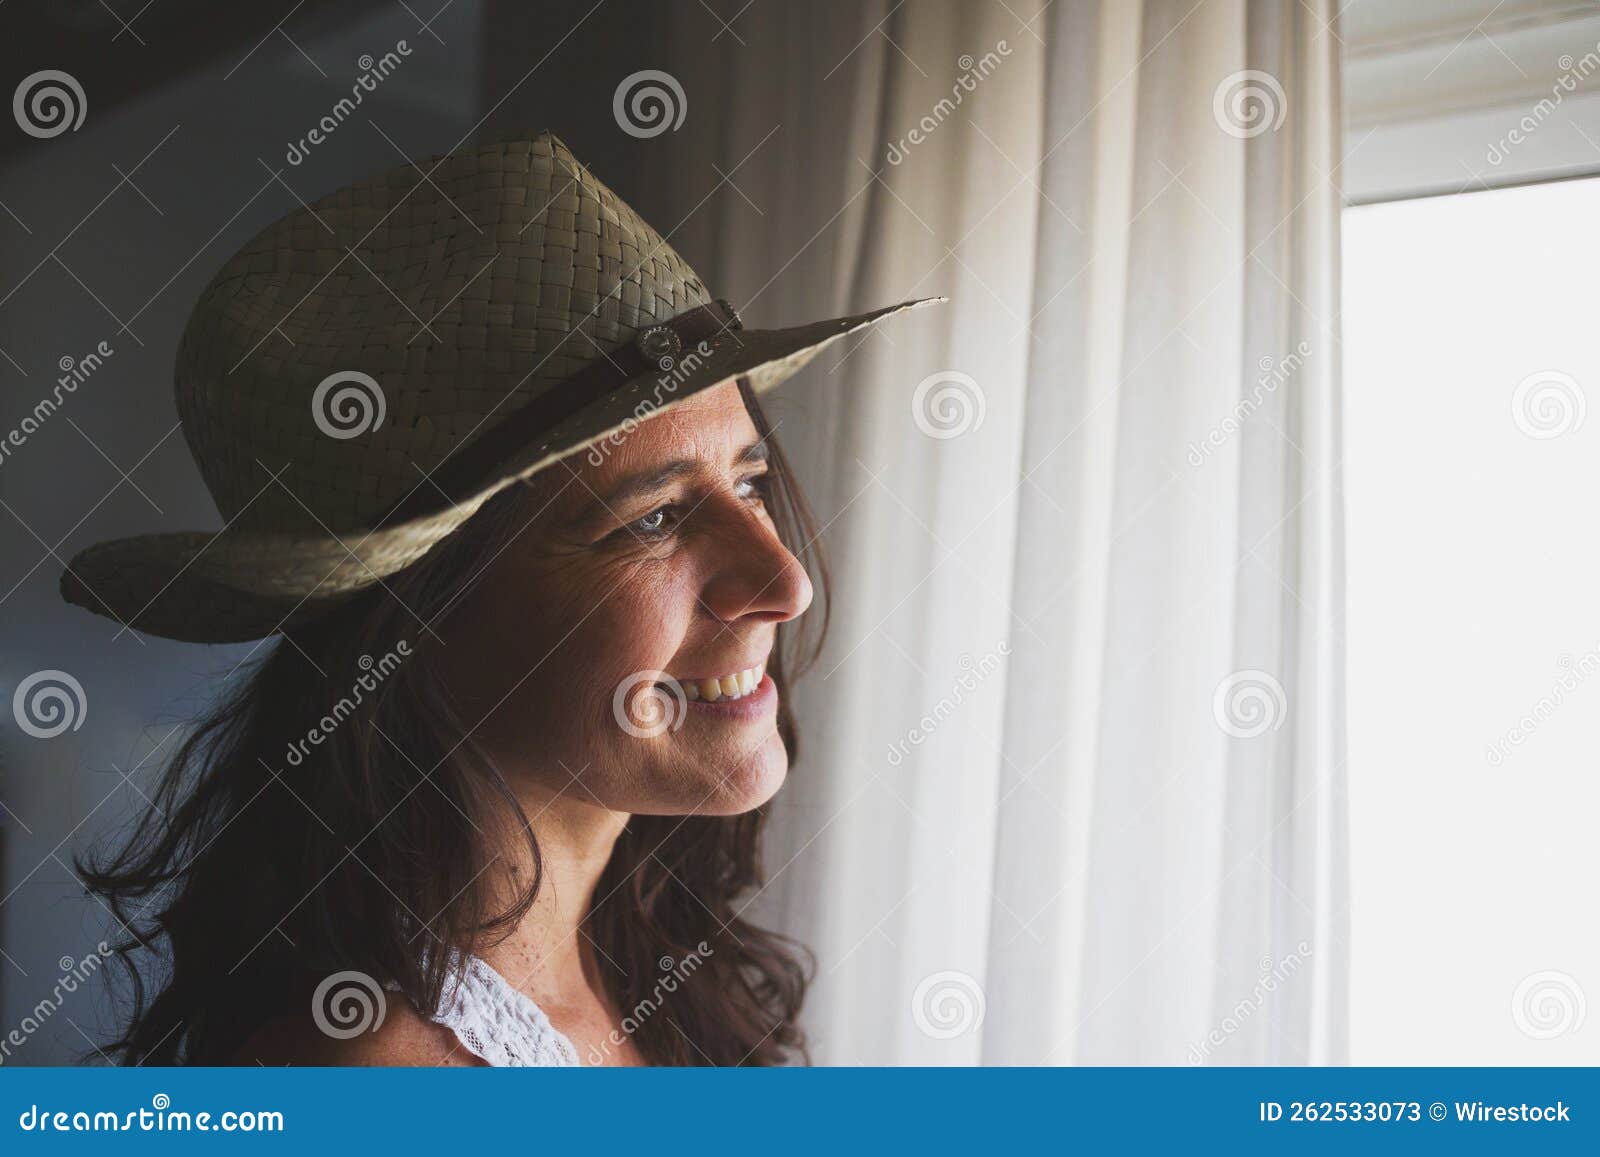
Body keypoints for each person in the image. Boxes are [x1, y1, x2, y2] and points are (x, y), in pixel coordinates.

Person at [59, 129, 942, 1065]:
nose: (785, 581)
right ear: (419, 614)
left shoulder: (651, 967)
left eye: (751, 481)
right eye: (653, 519)